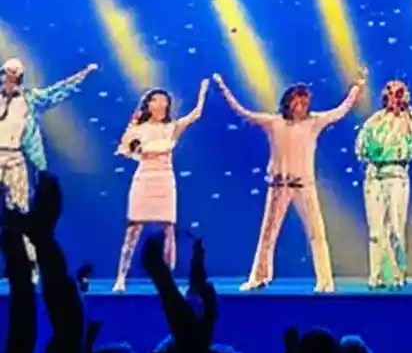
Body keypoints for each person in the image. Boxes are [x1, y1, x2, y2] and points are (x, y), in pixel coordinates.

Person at [213, 70, 366, 292]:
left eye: (305, 101)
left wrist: (356, 89)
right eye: (298, 100)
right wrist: (223, 87)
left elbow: (340, 111)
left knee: (317, 234)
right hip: (279, 186)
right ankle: (259, 277)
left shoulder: (314, 122)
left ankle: (325, 282)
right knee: (268, 234)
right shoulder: (274, 122)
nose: (302, 105)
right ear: (289, 101)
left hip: (304, 185)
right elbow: (243, 112)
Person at [112, 80, 210, 292]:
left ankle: (168, 280)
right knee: (133, 228)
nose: (162, 104)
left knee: (168, 229)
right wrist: (136, 146)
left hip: (165, 179)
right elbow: (125, 147)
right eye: (157, 101)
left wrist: (202, 90)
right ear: (149, 105)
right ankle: (121, 277)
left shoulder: (171, 128)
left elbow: (195, 115)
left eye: (165, 101)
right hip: (145, 178)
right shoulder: (138, 127)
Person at [0, 57, 96, 271]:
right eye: (7, 73)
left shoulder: (29, 99)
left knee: (23, 212)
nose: (10, 77)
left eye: (15, 74)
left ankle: (30, 264)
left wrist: (82, 75)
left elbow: (56, 92)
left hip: (15, 158)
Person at [355, 79, 412, 289]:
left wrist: (404, 106)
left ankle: (397, 274)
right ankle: (378, 274)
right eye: (391, 93)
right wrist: (371, 155)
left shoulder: (410, 119)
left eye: (398, 93)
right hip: (374, 175)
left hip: (397, 175)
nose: (394, 98)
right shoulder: (374, 121)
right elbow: (360, 146)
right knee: (376, 231)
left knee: (395, 227)